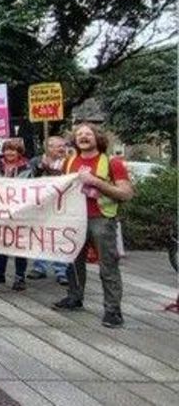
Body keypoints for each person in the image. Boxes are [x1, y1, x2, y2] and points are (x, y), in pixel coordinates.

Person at [53, 123, 133, 329]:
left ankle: (113, 310)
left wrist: (96, 182)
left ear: (98, 138)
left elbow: (126, 194)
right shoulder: (69, 162)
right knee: (72, 261)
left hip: (101, 219)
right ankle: (74, 297)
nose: (83, 137)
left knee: (108, 265)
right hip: (74, 219)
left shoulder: (112, 163)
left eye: (88, 133)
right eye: (79, 134)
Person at [0, 139, 33, 291]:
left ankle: (19, 276)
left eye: (13, 150)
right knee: (0, 240)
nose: (9, 153)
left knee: (19, 244)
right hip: (0, 210)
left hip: (20, 211)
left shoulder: (27, 167)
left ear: (19, 152)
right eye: (7, 149)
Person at [26, 136, 70, 284]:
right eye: (58, 146)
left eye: (63, 146)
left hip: (63, 205)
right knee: (41, 235)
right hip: (42, 206)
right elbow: (27, 180)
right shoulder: (36, 161)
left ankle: (62, 270)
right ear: (48, 147)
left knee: (61, 236)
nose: (62, 149)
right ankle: (40, 267)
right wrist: (40, 168)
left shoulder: (70, 162)